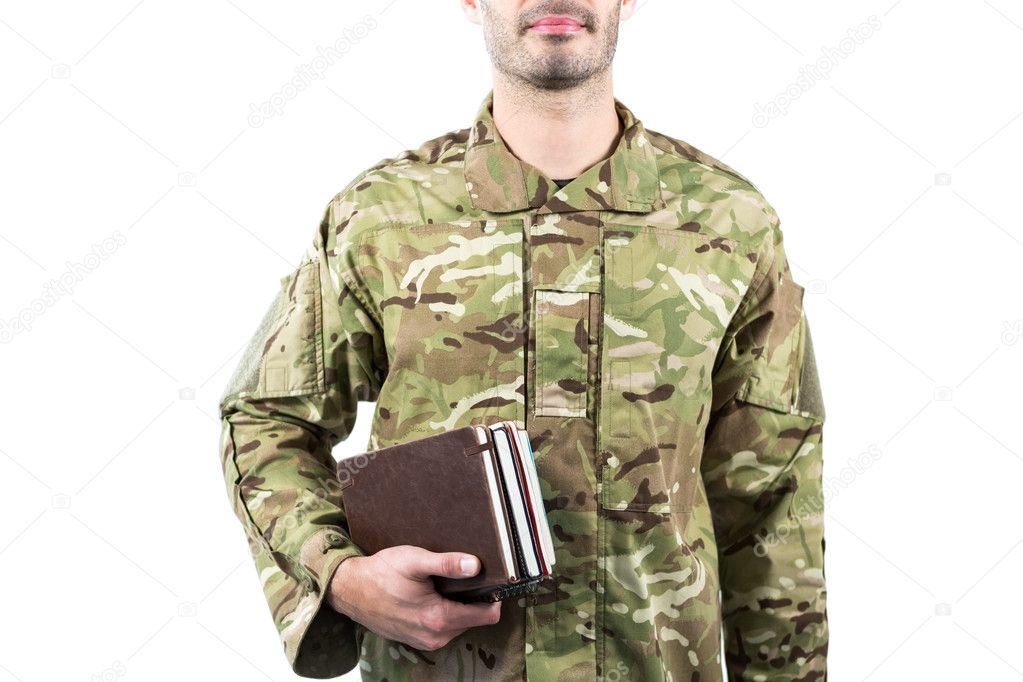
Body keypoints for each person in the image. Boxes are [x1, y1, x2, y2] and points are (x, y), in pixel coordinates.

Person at [217, 0, 829, 679]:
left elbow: (773, 493)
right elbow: (265, 419)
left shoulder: (727, 223)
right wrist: (337, 574)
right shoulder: (380, 217)